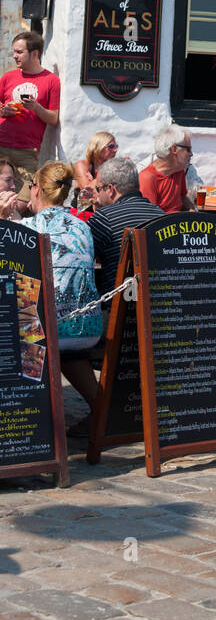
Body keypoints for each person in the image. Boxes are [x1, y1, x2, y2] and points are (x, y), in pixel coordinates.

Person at [29, 161, 103, 435]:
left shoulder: (28, 226)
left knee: (21, 328)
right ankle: (102, 410)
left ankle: (31, 422)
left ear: (36, 189)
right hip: (89, 327)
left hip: (50, 330)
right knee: (67, 342)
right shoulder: (81, 225)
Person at [88, 157, 162, 295]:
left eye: (99, 189)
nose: (98, 194)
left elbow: (85, 258)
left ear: (110, 189)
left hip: (119, 308)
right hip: (157, 305)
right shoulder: (160, 214)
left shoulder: (104, 218)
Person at [0, 30, 61, 194]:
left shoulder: (51, 80)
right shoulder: (8, 77)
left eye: (19, 52)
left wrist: (36, 107)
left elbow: (54, 118)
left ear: (34, 53)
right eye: (14, 52)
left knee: (23, 199)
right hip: (1, 143)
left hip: (27, 151)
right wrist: (2, 111)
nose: (14, 56)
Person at [139, 125, 194, 213]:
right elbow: (149, 216)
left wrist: (191, 210)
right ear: (174, 149)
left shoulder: (178, 170)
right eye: (188, 149)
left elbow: (183, 197)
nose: (191, 154)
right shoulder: (147, 177)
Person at [73, 131, 119, 211]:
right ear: (97, 148)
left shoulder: (112, 167)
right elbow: (87, 190)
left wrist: (94, 181)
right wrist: (100, 178)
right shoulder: (83, 164)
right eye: (111, 146)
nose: (115, 150)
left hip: (105, 213)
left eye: (116, 146)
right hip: (83, 214)